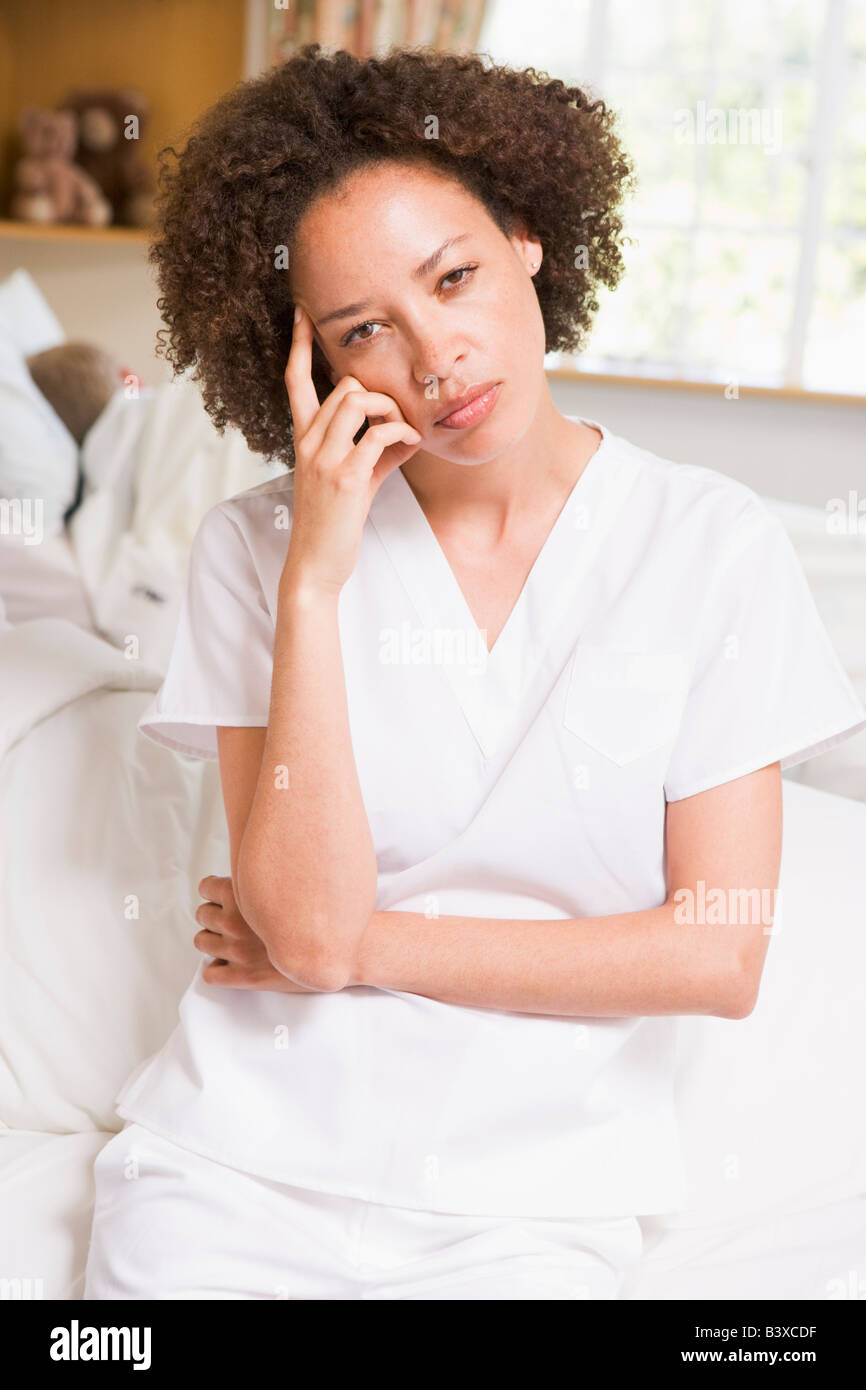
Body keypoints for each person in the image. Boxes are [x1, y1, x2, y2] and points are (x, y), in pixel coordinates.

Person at [83, 43, 866, 1301]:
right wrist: (314, 585)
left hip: (532, 1207)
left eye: (452, 277)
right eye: (364, 331)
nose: (434, 357)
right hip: (231, 1166)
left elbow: (712, 957)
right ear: (313, 365)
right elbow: (300, 919)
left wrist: (359, 946)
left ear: (526, 238)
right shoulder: (259, 549)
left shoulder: (711, 545)